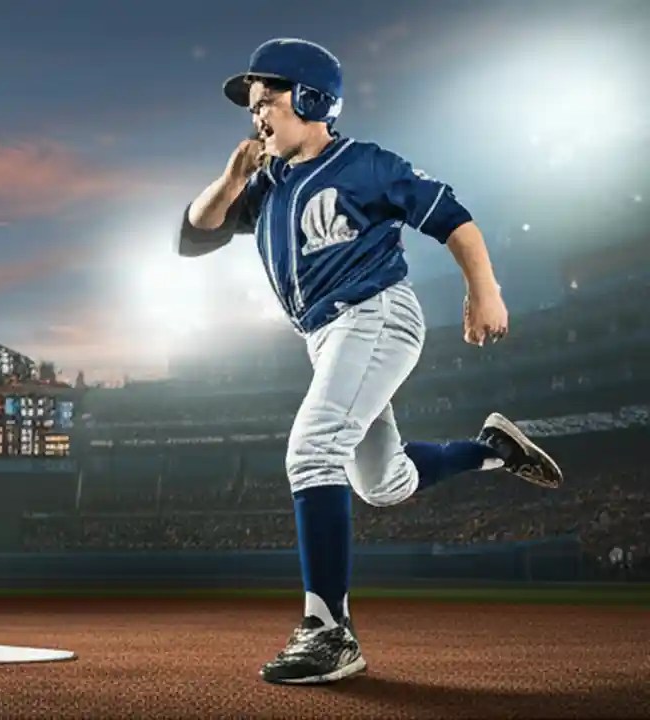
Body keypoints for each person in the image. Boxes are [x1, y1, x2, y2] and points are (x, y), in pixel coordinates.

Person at [177, 38, 564, 685]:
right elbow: (194, 235)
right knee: (382, 483)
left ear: (309, 97)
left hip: (374, 314)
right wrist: (232, 177)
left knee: (312, 449)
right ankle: (493, 449)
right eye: (251, 107)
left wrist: (484, 290)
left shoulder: (364, 165)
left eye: (265, 100)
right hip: (327, 338)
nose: (256, 117)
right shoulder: (266, 184)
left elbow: (451, 217)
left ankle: (330, 633)